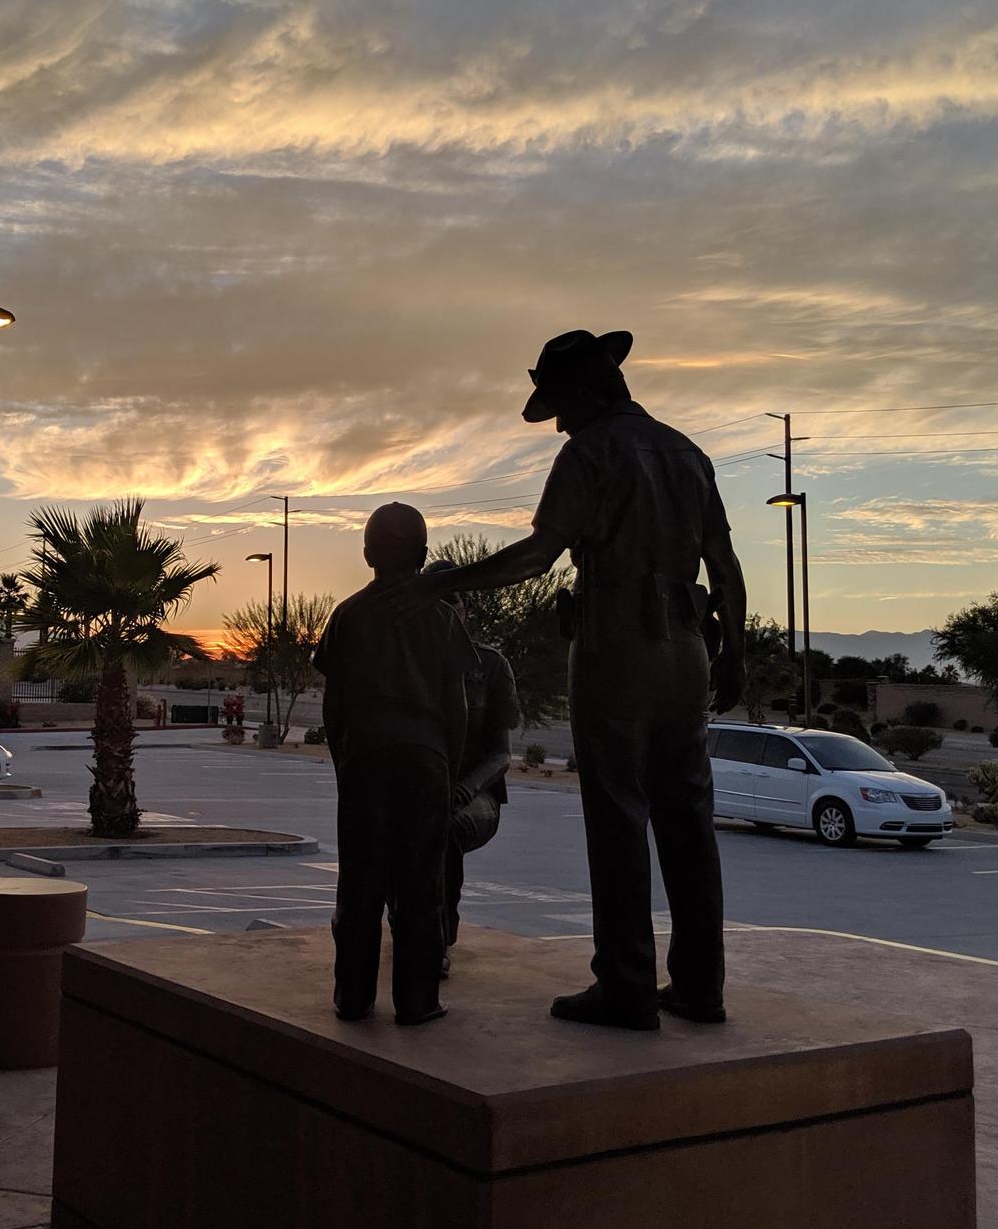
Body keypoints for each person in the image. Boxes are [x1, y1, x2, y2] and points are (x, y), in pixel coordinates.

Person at [400, 330, 746, 1030]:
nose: (556, 422)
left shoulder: (589, 452)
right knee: (688, 822)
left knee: (619, 817)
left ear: (588, 394)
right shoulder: (688, 452)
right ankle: (701, 986)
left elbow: (537, 555)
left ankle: (624, 984)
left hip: (617, 648)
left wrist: (448, 583)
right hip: (687, 652)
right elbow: (725, 564)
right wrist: (734, 650)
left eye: (559, 406)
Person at [314, 503, 474, 1026]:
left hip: (364, 760)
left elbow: (333, 708)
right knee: (420, 885)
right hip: (425, 762)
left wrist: (346, 763)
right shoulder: (444, 620)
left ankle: (353, 997)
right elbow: (457, 708)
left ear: (366, 554)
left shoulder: (348, 615)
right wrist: (447, 768)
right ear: (425, 555)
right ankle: (417, 999)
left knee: (358, 883)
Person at [421, 560, 518, 975]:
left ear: (468, 610)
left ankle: (436, 938)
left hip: (473, 796)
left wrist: (462, 790)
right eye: (435, 598)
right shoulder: (409, 662)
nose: (444, 607)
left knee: (442, 827)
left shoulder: (491, 666)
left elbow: (501, 754)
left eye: (453, 599)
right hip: (419, 787)